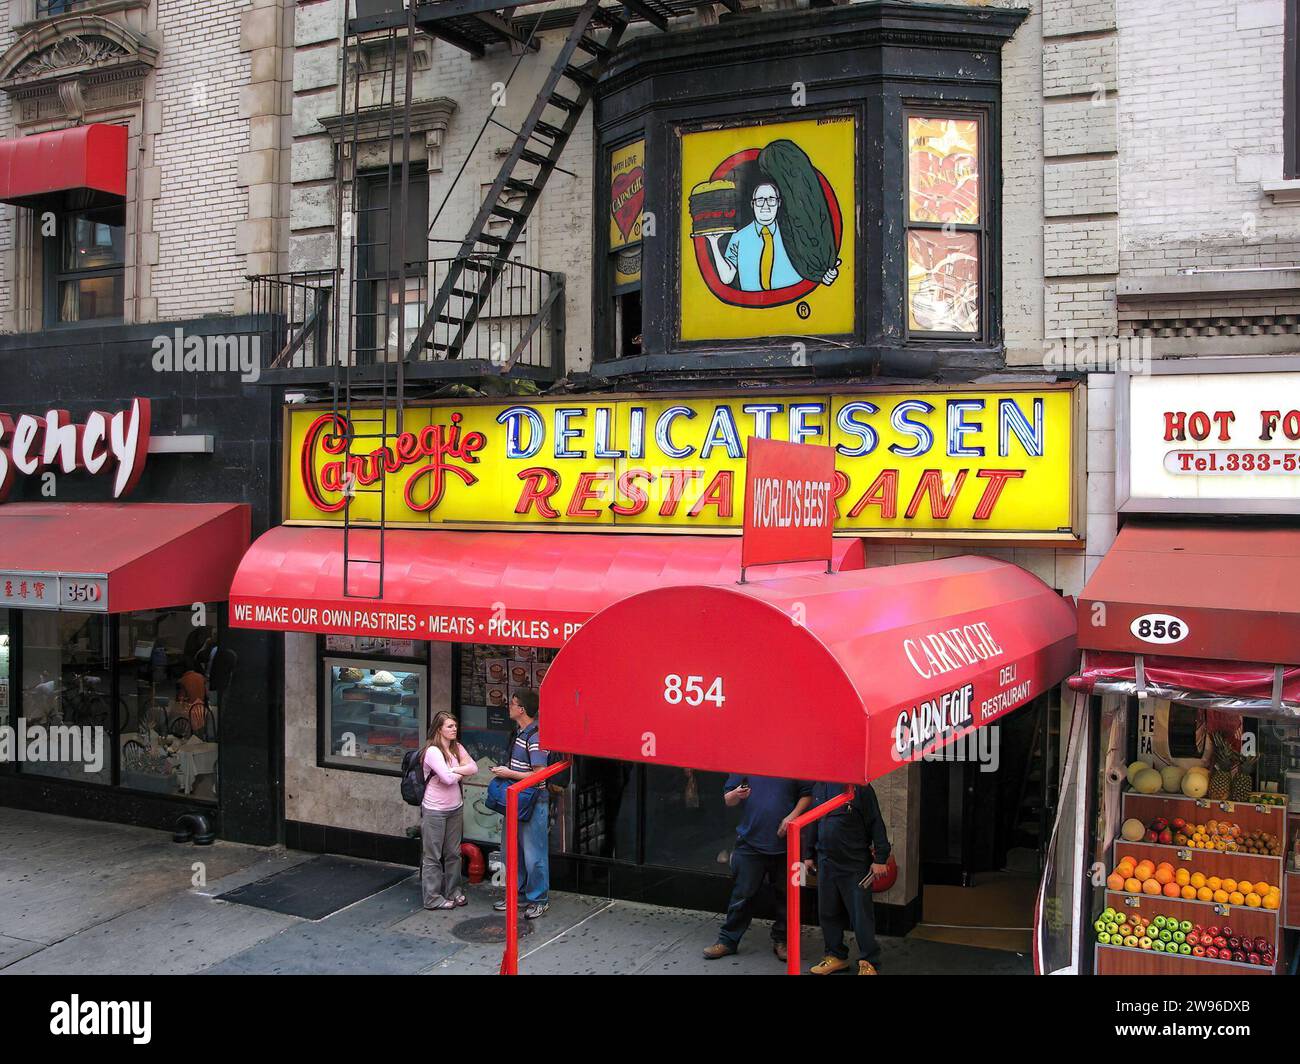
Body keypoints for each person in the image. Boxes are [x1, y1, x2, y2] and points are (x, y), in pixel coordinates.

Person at [703, 775, 812, 962]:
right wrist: (737, 794)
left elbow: (809, 796)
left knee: (791, 896)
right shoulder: (749, 760)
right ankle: (728, 940)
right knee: (742, 894)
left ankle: (783, 942)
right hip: (749, 842)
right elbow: (728, 800)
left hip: (792, 844)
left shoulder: (794, 760)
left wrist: (791, 819)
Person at [803, 781, 891, 975]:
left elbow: (876, 821)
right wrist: (808, 854)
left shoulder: (861, 789)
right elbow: (813, 821)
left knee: (861, 916)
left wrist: (881, 858)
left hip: (854, 864)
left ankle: (869, 962)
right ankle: (835, 956)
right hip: (826, 862)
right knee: (828, 912)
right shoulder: (820, 787)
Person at [491, 689, 551, 919]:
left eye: (513, 703)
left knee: (534, 854)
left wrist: (508, 773)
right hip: (518, 798)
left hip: (533, 800)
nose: (509, 706)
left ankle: (538, 899)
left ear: (521, 709)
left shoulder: (534, 737)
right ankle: (517, 896)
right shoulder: (519, 732)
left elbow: (540, 775)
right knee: (511, 851)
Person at [420, 711, 477, 911]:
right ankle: (432, 897)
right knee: (433, 855)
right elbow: (447, 779)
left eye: (455, 726)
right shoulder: (433, 751)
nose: (454, 729)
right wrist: (457, 771)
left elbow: (474, 768)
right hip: (435, 809)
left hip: (455, 807)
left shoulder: (457, 747)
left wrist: (453, 770)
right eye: (450, 726)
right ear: (439, 729)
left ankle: (454, 891)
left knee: (454, 853)